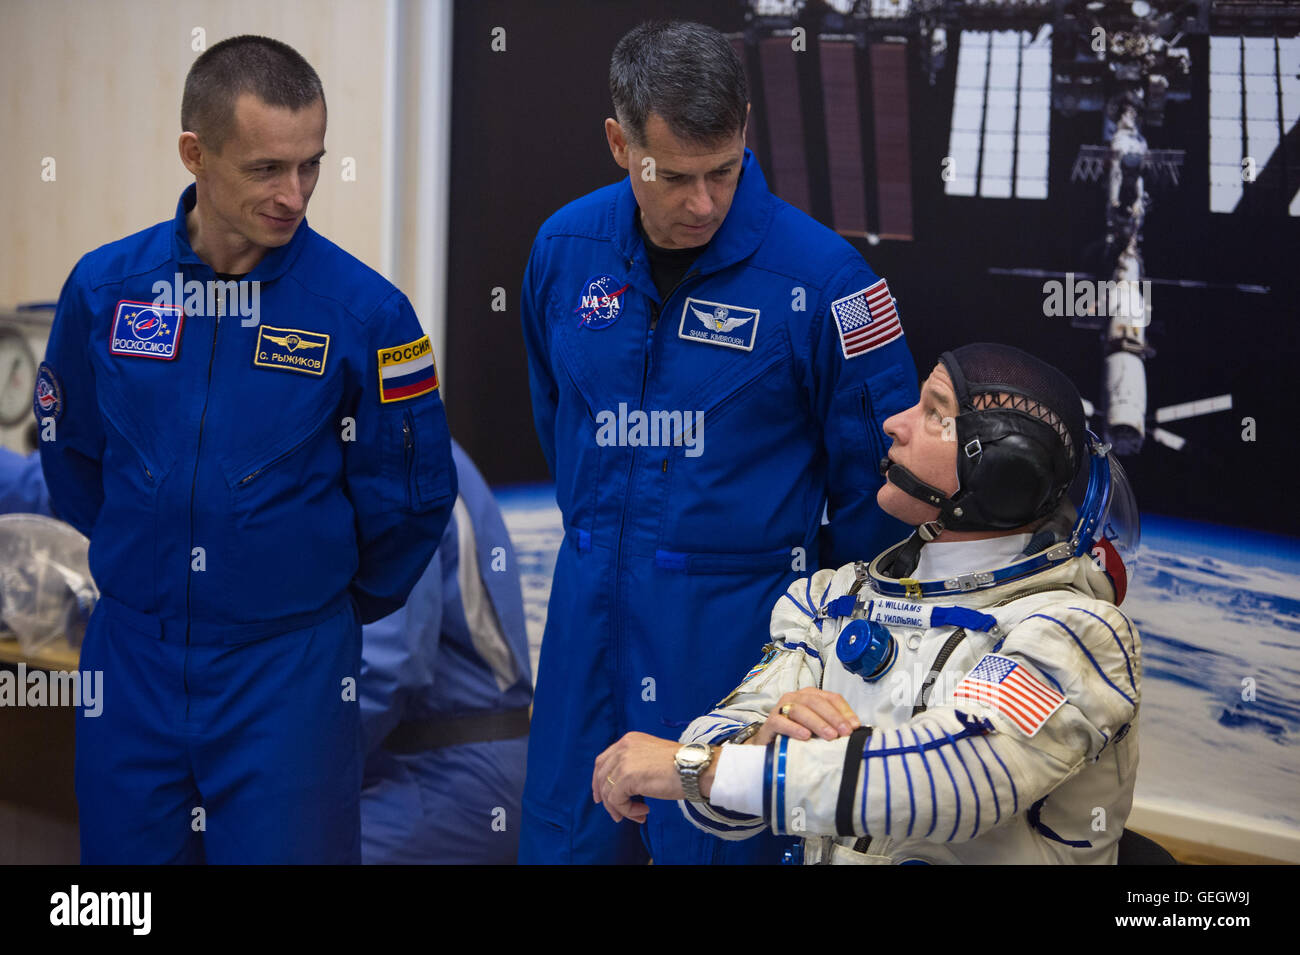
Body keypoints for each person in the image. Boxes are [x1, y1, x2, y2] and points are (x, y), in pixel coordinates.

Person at [36, 35, 456, 864]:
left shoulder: (367, 314)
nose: (294, 194)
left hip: (287, 672)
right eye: (267, 168)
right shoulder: (103, 289)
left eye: (311, 165)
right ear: (195, 153)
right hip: (132, 662)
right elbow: (73, 458)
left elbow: (410, 503)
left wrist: (310, 604)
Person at [519, 20, 918, 864]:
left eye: (724, 171)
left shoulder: (827, 282)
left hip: (741, 644)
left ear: (745, 129)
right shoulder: (564, 251)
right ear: (620, 144)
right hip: (584, 625)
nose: (703, 203)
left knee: (716, 849)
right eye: (676, 176)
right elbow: (559, 423)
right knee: (564, 843)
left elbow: (882, 503)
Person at [594, 342, 1142, 864]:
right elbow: (720, 794)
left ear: (1005, 467)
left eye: (934, 411)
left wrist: (700, 769)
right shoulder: (830, 601)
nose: (895, 424)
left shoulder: (1073, 633)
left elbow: (956, 779)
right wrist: (756, 742)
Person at [360, 440, 532, 865]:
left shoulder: (395, 457)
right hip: (440, 761)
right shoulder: (412, 445)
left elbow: (388, 665)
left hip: (447, 772)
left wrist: (289, 766)